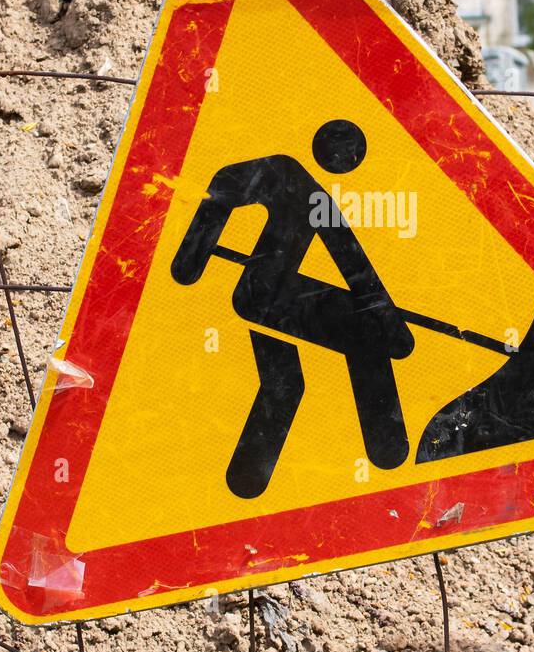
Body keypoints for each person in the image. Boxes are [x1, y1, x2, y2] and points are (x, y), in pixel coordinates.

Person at [171, 119, 414, 498]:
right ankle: (387, 445)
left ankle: (247, 481)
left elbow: (348, 254)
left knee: (287, 382)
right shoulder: (282, 171)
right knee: (358, 339)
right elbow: (222, 188)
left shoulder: (309, 189)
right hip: (261, 295)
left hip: (270, 296)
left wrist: (389, 320)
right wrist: (191, 261)